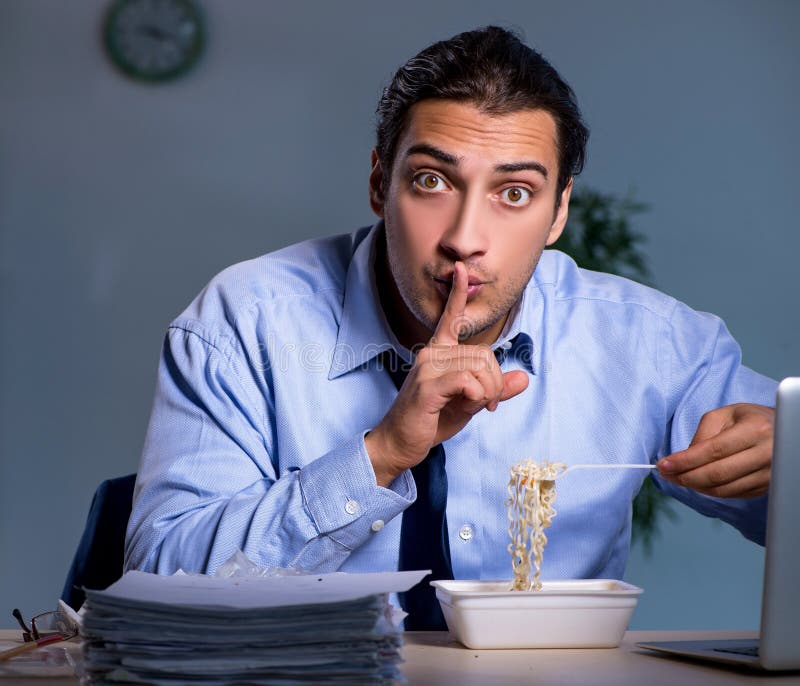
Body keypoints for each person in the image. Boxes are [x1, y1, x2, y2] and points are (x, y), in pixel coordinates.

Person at [125, 26, 776, 629]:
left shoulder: (647, 342)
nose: (466, 240)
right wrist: (379, 455)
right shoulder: (243, 324)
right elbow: (155, 583)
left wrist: (789, 464)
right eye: (432, 181)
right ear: (381, 183)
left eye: (514, 193)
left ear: (557, 214)